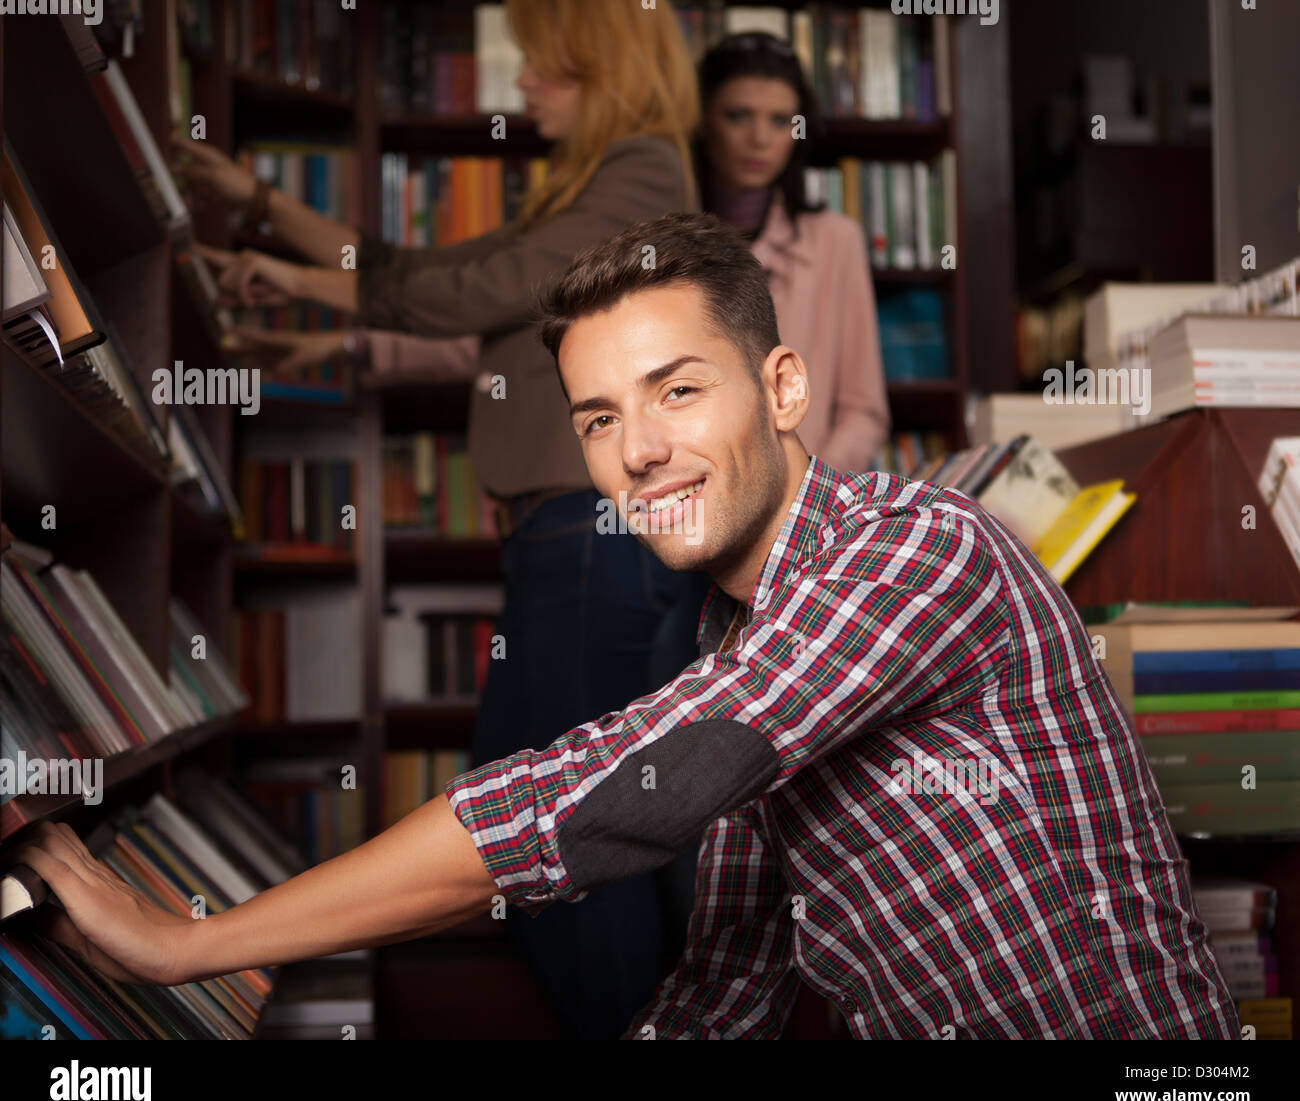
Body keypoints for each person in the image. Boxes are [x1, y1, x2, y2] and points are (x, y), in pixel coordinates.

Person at [19, 212, 1237, 1040]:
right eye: (598, 418)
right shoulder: (740, 650)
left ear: (782, 389)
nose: (639, 449)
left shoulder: (914, 551)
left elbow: (611, 793)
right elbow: (725, 996)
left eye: (678, 389)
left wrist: (192, 942)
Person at [173, 0, 704, 1040]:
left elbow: (459, 290)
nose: (522, 90)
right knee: (541, 812)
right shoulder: (592, 190)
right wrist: (281, 235)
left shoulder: (642, 170)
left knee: (553, 823)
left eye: (544, 70)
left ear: (602, 70)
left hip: (591, 536)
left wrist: (300, 253)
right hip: (572, 539)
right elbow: (440, 284)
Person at [695, 31, 890, 473]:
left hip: (809, 509)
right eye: (738, 115)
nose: (760, 139)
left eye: (780, 120)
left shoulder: (836, 241)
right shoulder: (660, 242)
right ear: (703, 120)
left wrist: (805, 492)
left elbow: (864, 412)